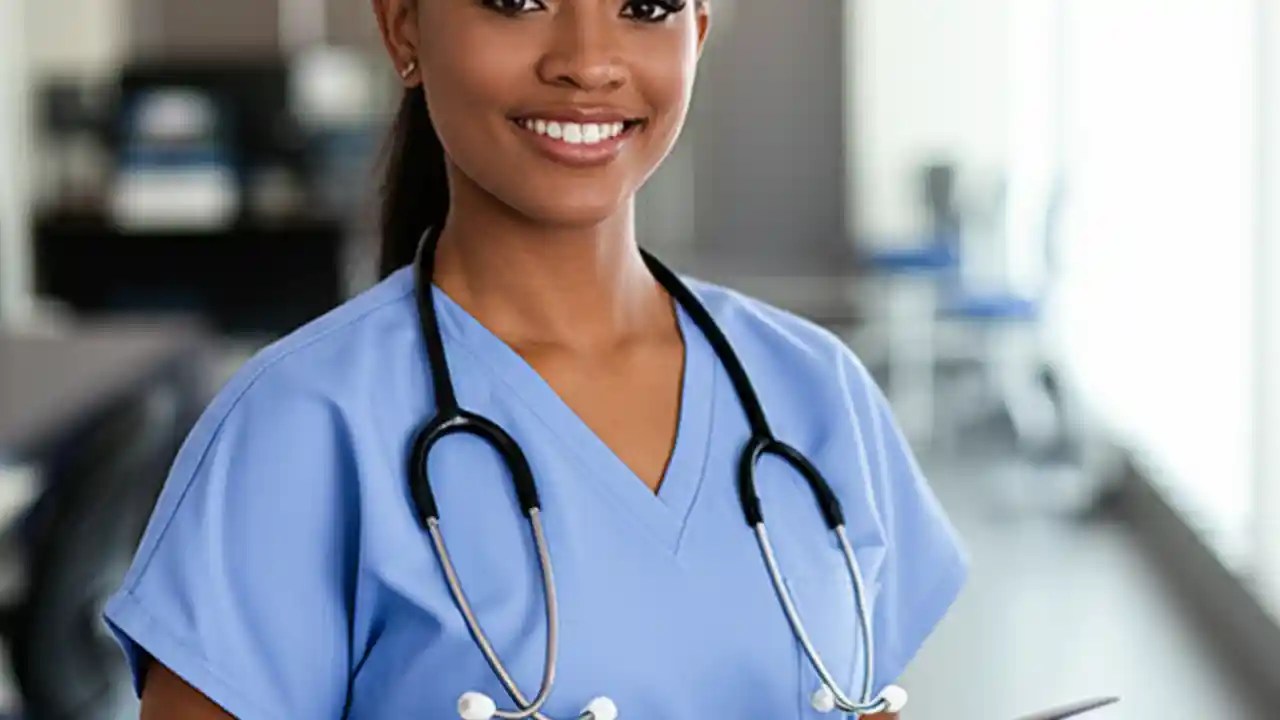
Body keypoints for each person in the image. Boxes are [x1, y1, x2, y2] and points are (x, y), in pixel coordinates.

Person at [102, 0, 969, 717]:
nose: (589, 62)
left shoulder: (816, 392)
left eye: (647, 8)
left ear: (697, 32)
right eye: (516, 1)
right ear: (404, 29)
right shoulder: (299, 423)